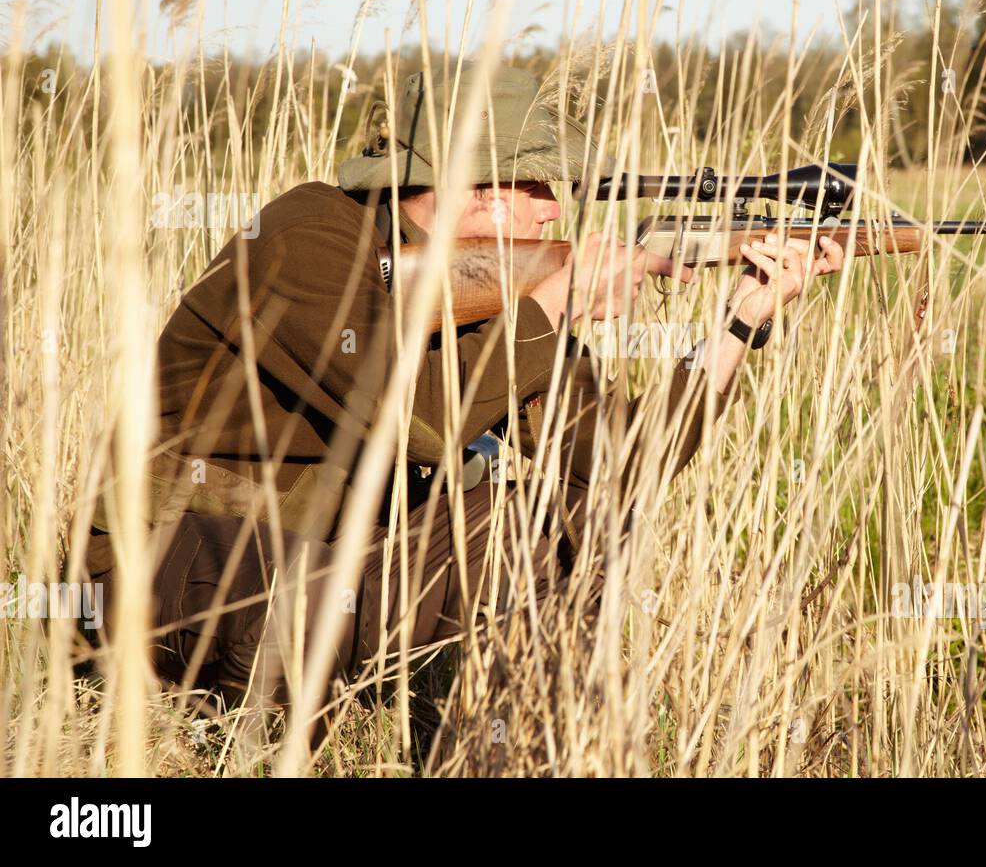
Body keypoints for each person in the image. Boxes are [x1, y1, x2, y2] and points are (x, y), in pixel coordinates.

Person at [77, 60, 844, 722]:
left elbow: (616, 467)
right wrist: (552, 305)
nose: (558, 209)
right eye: (541, 185)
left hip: (321, 565)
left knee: (565, 513)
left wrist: (741, 323)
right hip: (172, 557)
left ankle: (494, 751)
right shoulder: (305, 236)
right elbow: (419, 418)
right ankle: (249, 701)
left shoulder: (505, 285)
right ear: (473, 187)